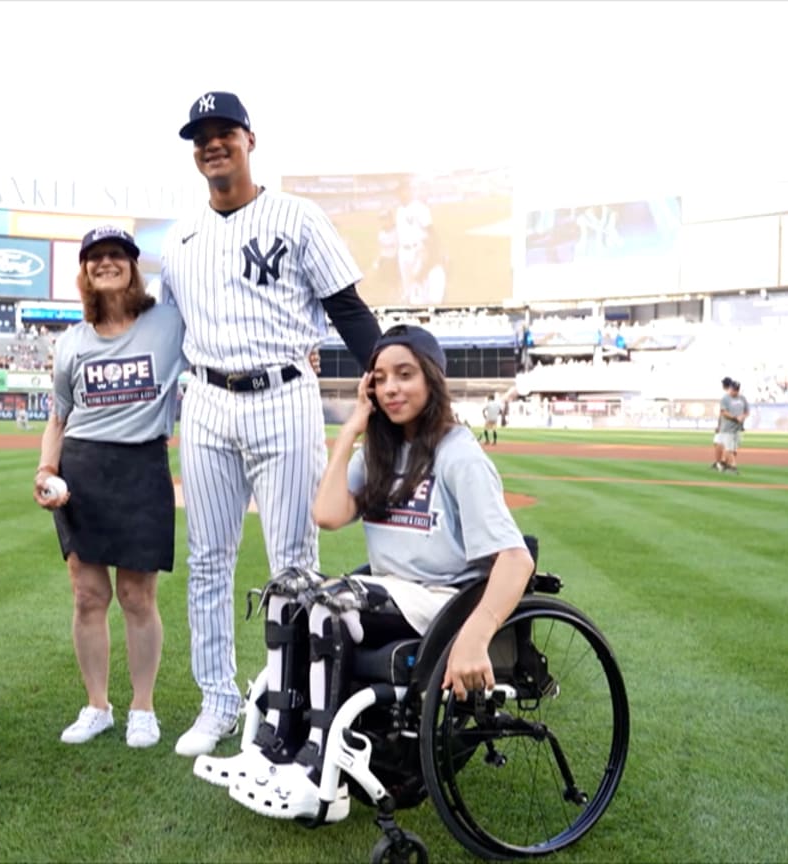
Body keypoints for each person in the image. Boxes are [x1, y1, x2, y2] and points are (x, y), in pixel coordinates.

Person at [195, 324, 534, 822]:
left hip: (443, 598)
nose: (391, 388)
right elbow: (328, 514)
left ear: (433, 380)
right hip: (392, 592)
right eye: (379, 379)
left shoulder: (458, 454)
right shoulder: (380, 451)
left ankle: (317, 770)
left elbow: (516, 559)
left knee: (330, 606)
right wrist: (354, 427)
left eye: (405, 375)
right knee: (290, 593)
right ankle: (273, 747)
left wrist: (475, 637)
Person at [161, 91, 382, 757]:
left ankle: (295, 702)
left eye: (223, 131)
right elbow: (166, 332)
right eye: (201, 136)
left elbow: (347, 307)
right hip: (203, 401)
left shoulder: (297, 217)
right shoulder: (177, 240)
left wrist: (390, 376)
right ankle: (218, 702)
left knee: (294, 564)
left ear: (249, 139)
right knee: (207, 559)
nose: (212, 144)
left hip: (284, 394)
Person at [36, 226, 185, 749]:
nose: (106, 263)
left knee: (138, 596)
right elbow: (59, 416)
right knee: (88, 596)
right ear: (84, 271)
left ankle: (142, 707)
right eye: (95, 257)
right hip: (82, 470)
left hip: (142, 465)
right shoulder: (72, 341)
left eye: (116, 255)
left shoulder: (167, 323)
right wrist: (44, 471)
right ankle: (97, 705)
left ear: (132, 265)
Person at [714, 377, 749, 474]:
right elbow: (723, 412)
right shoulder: (725, 398)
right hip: (727, 427)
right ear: (731, 388)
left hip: (738, 428)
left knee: (734, 449)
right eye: (734, 389)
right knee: (728, 447)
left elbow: (747, 411)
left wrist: (743, 417)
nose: (735, 391)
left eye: (737, 389)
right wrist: (734, 418)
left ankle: (723, 463)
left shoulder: (742, 398)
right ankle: (732, 466)